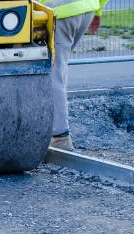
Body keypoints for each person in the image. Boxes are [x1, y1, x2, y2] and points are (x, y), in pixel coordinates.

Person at [47, 0, 108, 150]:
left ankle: (60, 138)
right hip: (87, 8)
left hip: (58, 11)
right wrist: (98, 11)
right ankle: (50, 126)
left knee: (53, 71)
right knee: (59, 68)